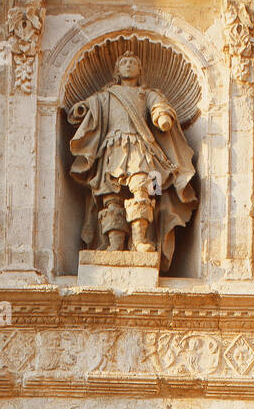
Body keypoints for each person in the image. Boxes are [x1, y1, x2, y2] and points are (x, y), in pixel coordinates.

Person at [66, 52, 197, 270]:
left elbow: (159, 106)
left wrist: (162, 115)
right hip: (111, 151)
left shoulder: (147, 94)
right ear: (117, 71)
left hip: (143, 151)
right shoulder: (106, 95)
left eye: (133, 63)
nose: (128, 65)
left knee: (146, 190)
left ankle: (141, 240)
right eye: (123, 62)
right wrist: (82, 110)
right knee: (111, 197)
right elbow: (90, 109)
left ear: (140, 70)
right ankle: (115, 244)